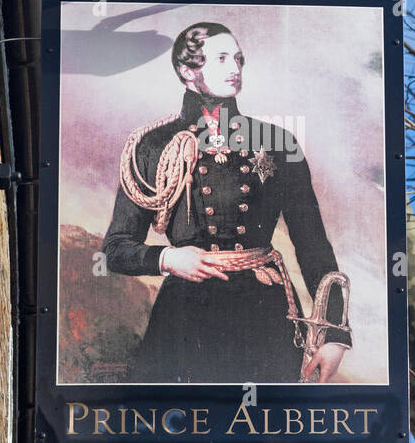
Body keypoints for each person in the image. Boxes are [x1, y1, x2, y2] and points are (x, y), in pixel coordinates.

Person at [103, 21, 351, 383]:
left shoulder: (278, 142)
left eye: (238, 59)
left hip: (265, 314)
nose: (234, 68)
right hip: (184, 317)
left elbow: (313, 244)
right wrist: (169, 258)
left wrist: (333, 335)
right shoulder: (152, 145)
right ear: (188, 71)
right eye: (221, 59)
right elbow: (116, 248)